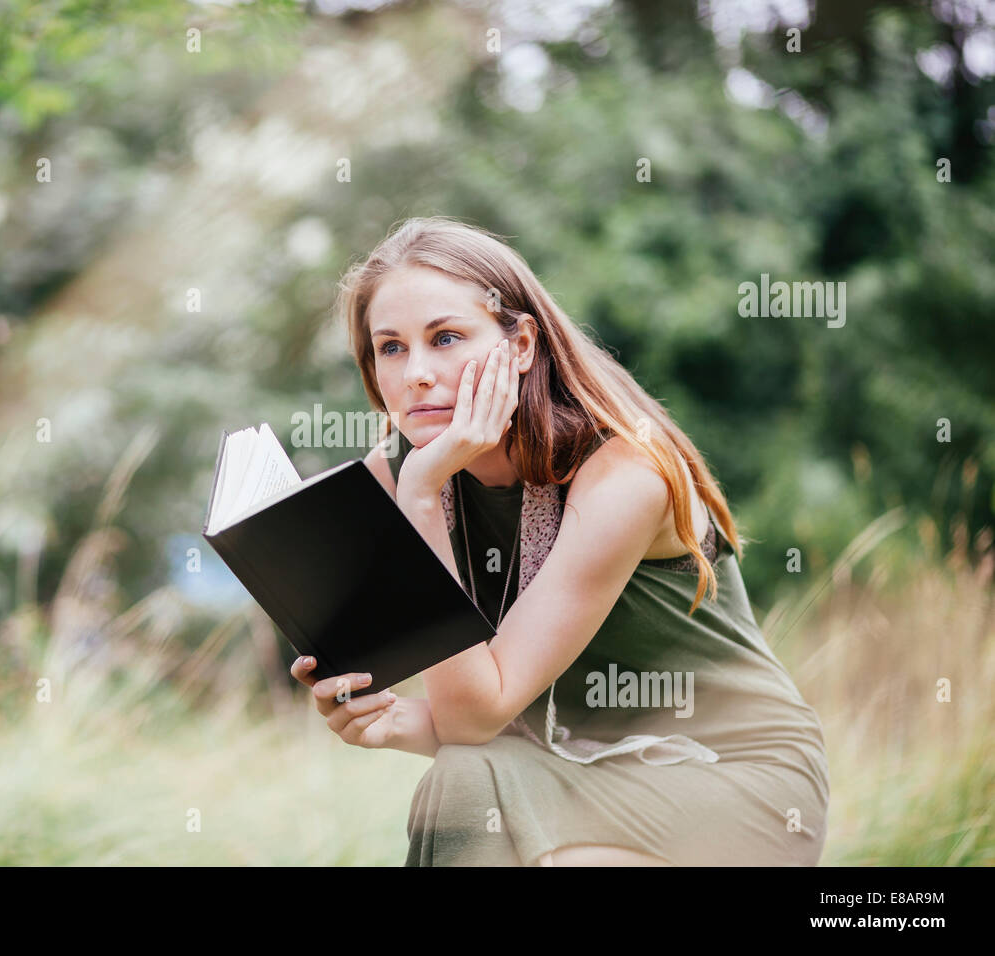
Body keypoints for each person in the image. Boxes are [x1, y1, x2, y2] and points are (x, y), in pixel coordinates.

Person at [289, 216, 830, 866]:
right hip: (582, 766)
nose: (418, 374)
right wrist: (388, 711)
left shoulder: (625, 473)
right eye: (392, 348)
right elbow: (467, 716)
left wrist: (421, 498)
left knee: (469, 782)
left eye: (447, 337)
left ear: (520, 346)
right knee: (462, 783)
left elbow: (475, 719)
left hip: (733, 780)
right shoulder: (399, 474)